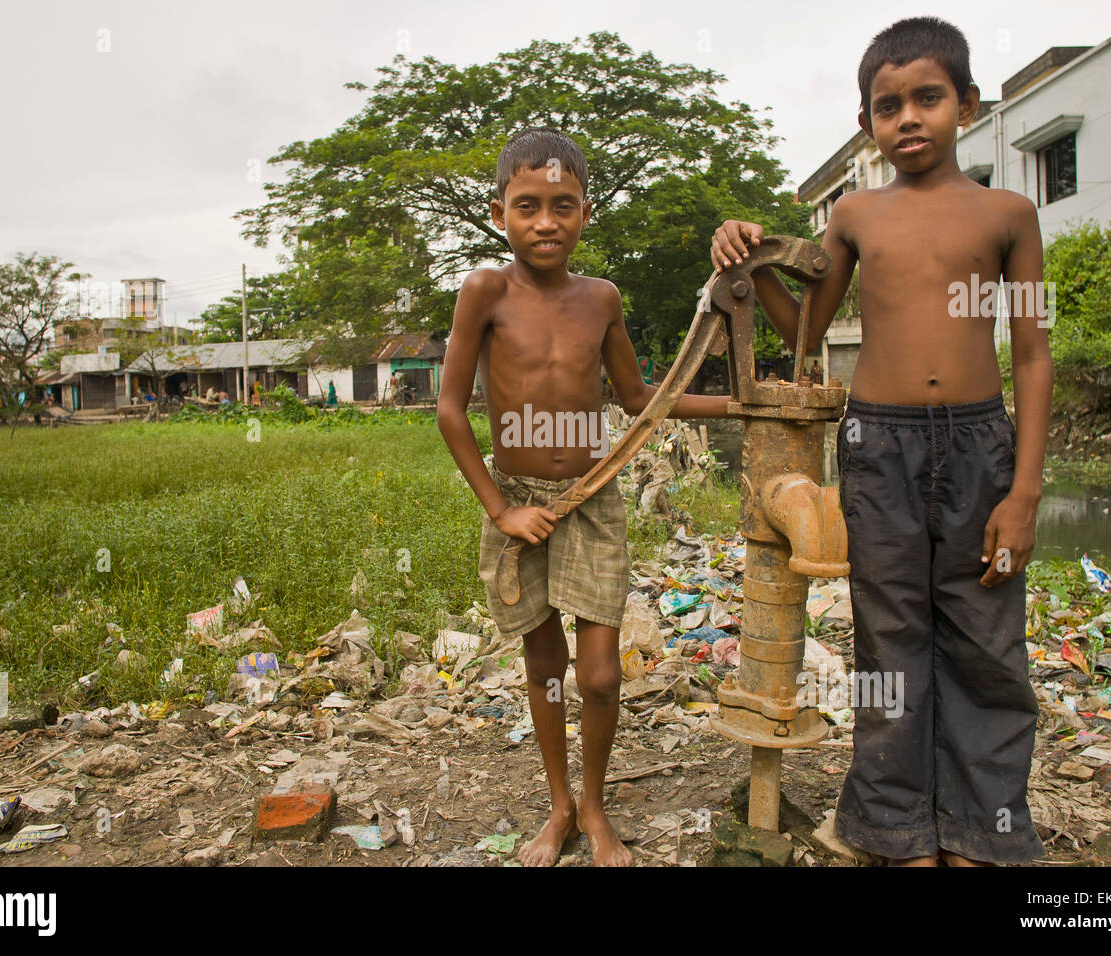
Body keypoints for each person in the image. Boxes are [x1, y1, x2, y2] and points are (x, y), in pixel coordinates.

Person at [712, 16, 1052, 867]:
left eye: (927, 99)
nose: (908, 118)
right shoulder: (857, 214)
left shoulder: (1008, 213)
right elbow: (807, 337)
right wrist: (747, 268)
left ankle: (987, 829)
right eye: (887, 105)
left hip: (980, 446)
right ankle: (895, 826)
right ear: (866, 123)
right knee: (888, 635)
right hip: (879, 445)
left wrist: (1024, 494)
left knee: (985, 637)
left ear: (967, 105)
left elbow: (1036, 356)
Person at [437, 128, 734, 866]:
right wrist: (501, 510)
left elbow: (637, 397)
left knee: (600, 675)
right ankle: (559, 807)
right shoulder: (484, 291)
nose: (545, 222)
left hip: (591, 497)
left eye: (562, 206)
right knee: (546, 669)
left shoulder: (600, 298)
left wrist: (738, 407)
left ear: (585, 213)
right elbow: (448, 409)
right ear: (500, 211)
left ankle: (597, 808)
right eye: (528, 206)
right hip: (518, 503)